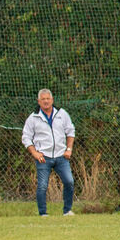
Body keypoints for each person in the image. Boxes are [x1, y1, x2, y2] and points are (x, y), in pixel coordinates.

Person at [21, 89, 76, 217]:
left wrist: (69, 149)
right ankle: (43, 213)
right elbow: (26, 137)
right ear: (38, 101)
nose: (46, 101)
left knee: (69, 181)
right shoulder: (33, 117)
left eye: (48, 99)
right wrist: (34, 153)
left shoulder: (62, 114)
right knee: (42, 186)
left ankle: (67, 211)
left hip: (61, 156)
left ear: (52, 100)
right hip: (43, 158)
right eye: (43, 99)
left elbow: (70, 131)